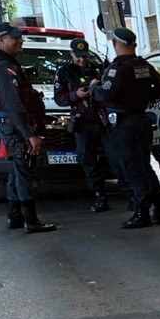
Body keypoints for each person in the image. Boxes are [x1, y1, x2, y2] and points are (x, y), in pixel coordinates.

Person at [91, 27, 160, 229]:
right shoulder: (143, 66)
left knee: (131, 168)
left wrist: (93, 88)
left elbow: (105, 94)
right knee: (145, 167)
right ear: (133, 44)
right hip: (141, 120)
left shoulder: (116, 69)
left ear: (115, 44)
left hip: (123, 125)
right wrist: (145, 99)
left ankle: (141, 212)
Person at [0, 22, 56, 233]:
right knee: (26, 171)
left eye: (20, 37)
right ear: (1, 40)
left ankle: (15, 216)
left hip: (13, 125)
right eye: (15, 38)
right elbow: (12, 103)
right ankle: (31, 221)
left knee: (17, 171)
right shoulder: (2, 66)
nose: (20, 40)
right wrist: (28, 134)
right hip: (15, 126)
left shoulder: (4, 63)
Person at [53, 37, 109, 213]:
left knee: (113, 156)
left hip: (102, 121)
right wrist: (75, 95)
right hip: (82, 123)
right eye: (79, 56)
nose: (82, 60)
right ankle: (100, 196)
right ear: (72, 54)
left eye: (85, 56)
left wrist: (96, 89)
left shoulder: (98, 70)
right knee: (87, 160)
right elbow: (59, 99)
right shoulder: (64, 72)